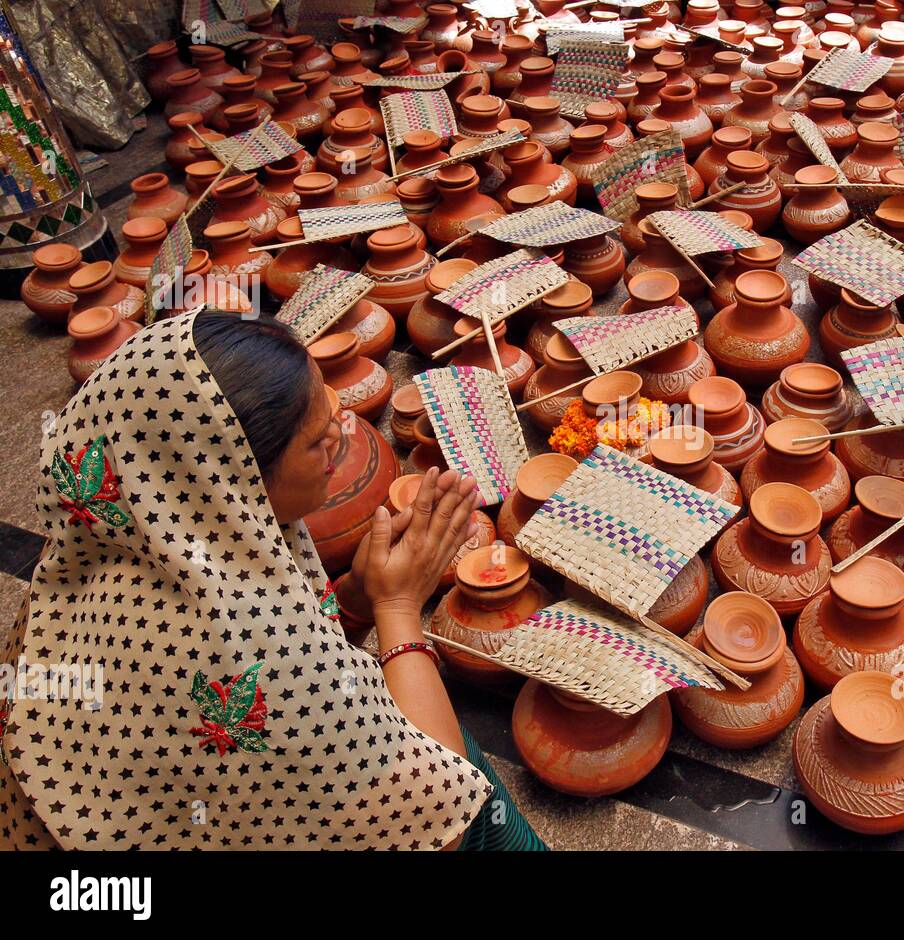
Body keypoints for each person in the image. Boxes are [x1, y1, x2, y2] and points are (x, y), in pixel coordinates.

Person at [0, 310, 544, 850]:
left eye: (332, 411)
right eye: (317, 440)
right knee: (464, 769)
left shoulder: (117, 540)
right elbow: (435, 823)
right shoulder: (237, 643)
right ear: (231, 477)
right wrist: (399, 607)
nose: (343, 434)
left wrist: (353, 596)